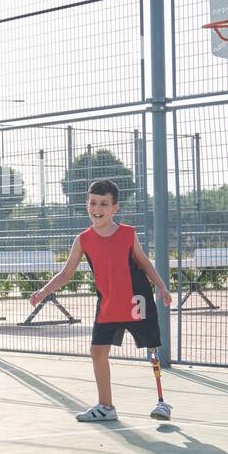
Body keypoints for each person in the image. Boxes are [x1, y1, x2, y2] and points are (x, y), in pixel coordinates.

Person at [29, 178, 172, 422]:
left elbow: (144, 262)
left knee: (151, 347)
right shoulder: (83, 239)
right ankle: (106, 407)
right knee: (97, 352)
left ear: (115, 208)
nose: (97, 209)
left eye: (104, 204)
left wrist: (161, 287)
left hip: (136, 299)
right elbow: (66, 273)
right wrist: (43, 291)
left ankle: (162, 402)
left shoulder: (128, 234)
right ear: (87, 204)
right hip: (108, 303)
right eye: (93, 203)